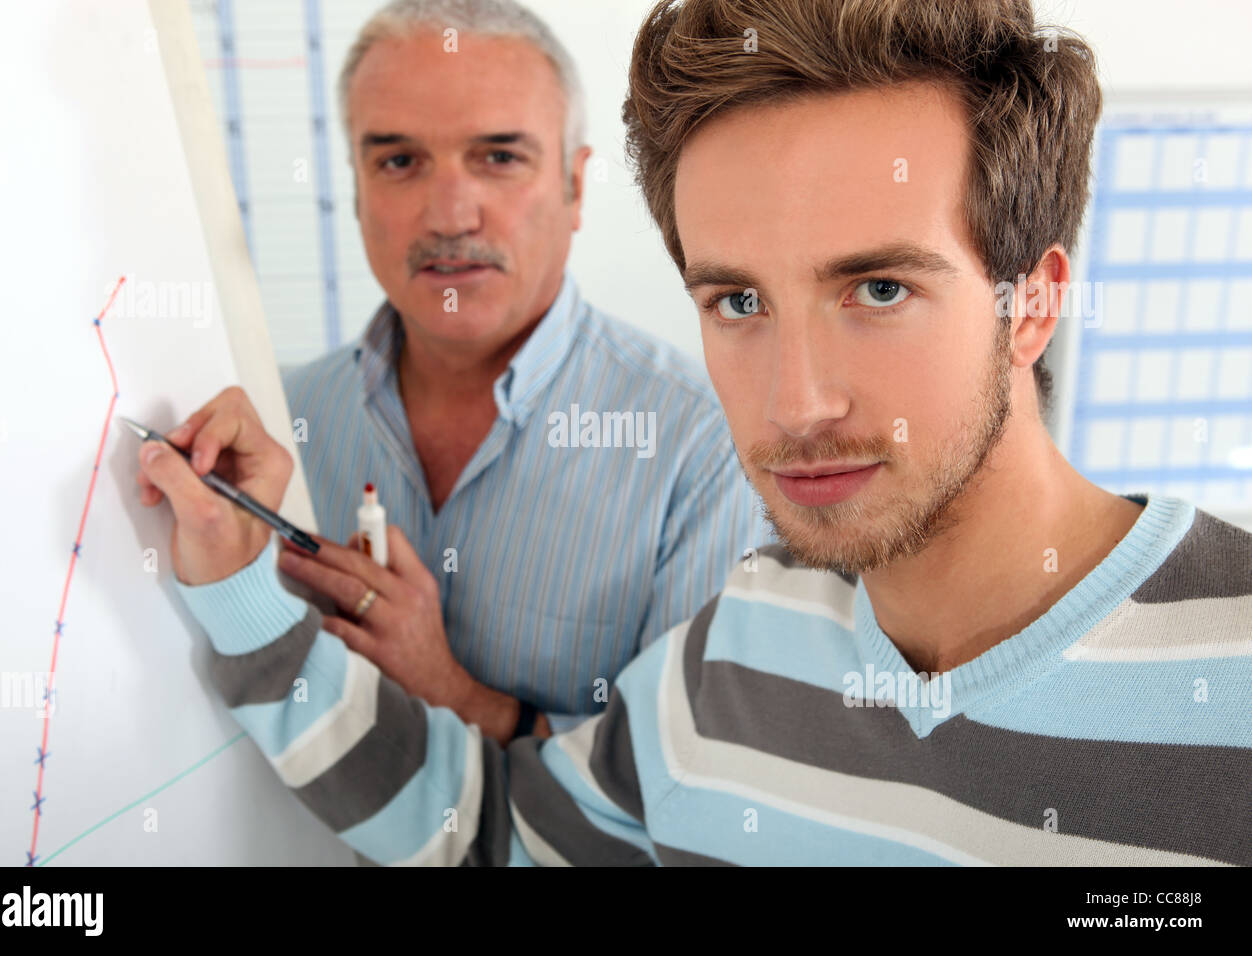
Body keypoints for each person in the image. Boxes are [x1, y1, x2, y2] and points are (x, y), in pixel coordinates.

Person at [140, 0, 1251, 865]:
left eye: (875, 288)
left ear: (1035, 300)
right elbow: (484, 834)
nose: (793, 404)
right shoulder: (740, 640)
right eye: (737, 302)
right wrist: (244, 591)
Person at [137, 0, 768, 747]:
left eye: (499, 157)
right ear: (358, 189)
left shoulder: (709, 449)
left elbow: (689, 805)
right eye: (399, 162)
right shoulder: (277, 428)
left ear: (574, 187)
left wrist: (453, 693)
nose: (449, 215)